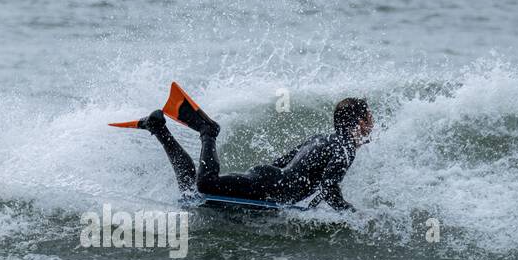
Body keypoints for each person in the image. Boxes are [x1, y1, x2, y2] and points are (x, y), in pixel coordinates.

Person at [134, 95, 373, 209]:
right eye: (369, 119)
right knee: (205, 184)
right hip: (266, 189)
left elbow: (283, 162)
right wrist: (352, 215)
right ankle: (208, 131)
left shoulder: (321, 139)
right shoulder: (344, 148)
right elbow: (329, 188)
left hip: (266, 183)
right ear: (360, 123)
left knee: (190, 193)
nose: (372, 125)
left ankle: (158, 129)